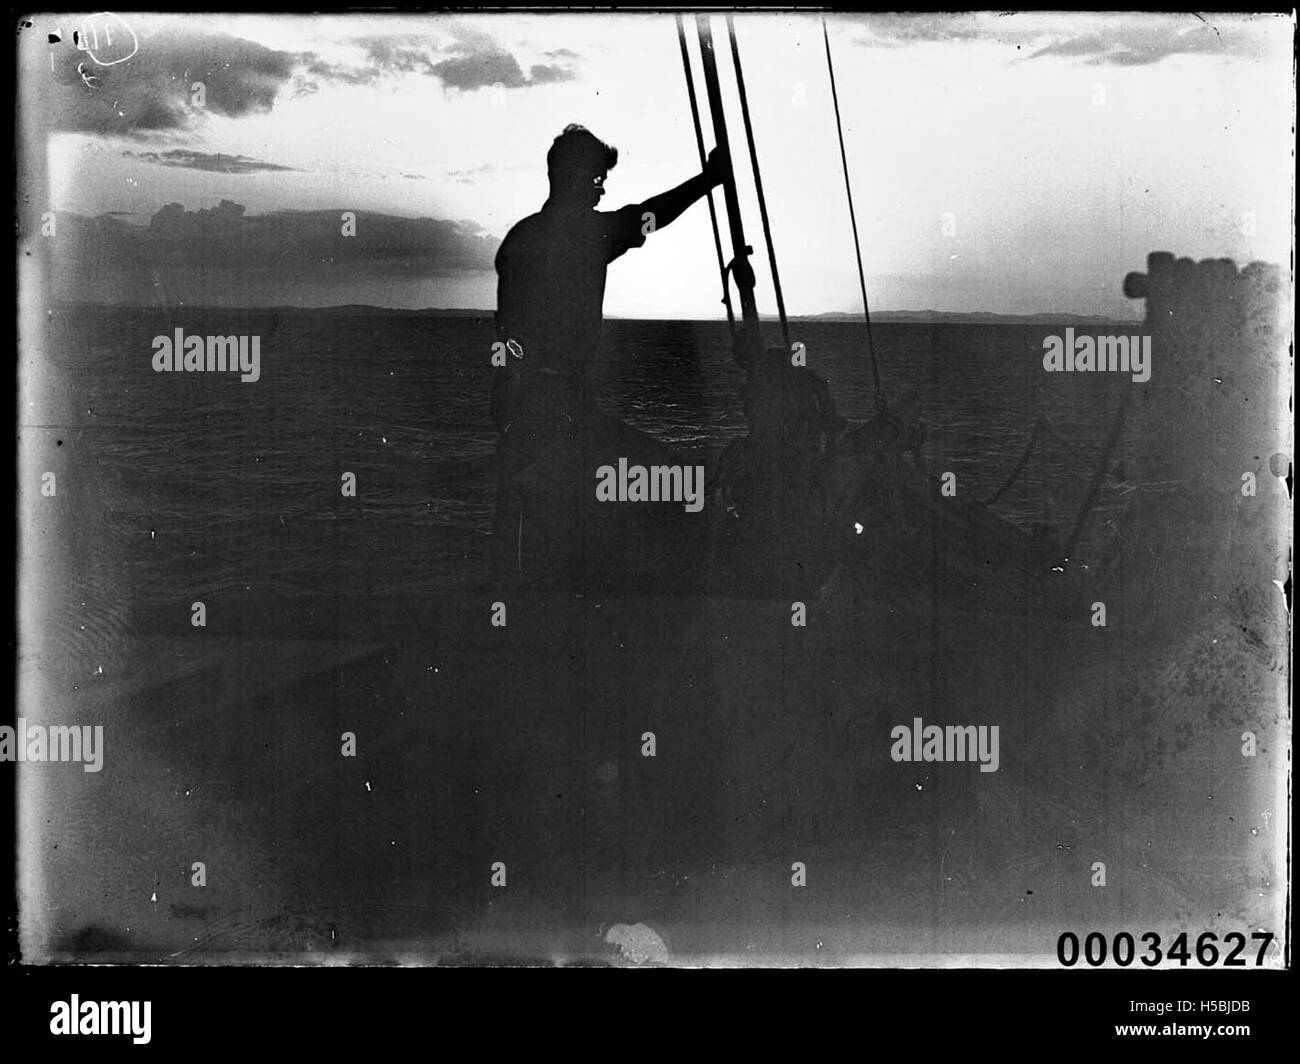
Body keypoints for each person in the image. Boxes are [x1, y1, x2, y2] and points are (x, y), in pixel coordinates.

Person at [490, 124, 726, 583]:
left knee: (539, 528)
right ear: (573, 177)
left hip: (525, 410)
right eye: (597, 178)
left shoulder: (519, 241)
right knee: (681, 483)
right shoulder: (588, 236)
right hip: (559, 416)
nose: (602, 190)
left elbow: (509, 338)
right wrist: (709, 180)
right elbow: (651, 216)